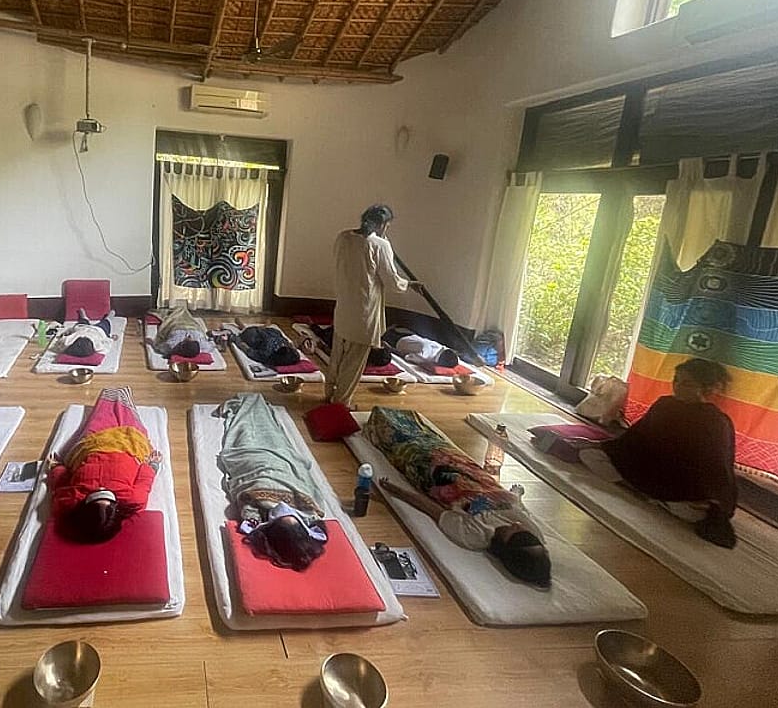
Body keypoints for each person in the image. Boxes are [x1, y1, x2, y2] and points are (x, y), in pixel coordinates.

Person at [365, 407, 551, 587]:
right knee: (439, 444)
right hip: (478, 477)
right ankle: (410, 419)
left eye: (514, 531)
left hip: (443, 478)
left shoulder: (475, 535)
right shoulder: (532, 533)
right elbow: (518, 506)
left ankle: (385, 421)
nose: (517, 524)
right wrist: (516, 492)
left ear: (504, 545)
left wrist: (396, 490)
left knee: (412, 447)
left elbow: (432, 509)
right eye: (522, 529)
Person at [571, 358, 738, 548]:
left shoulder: (716, 422)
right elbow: (635, 438)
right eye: (676, 380)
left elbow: (717, 466)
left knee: (692, 512)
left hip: (681, 484)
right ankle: (643, 492)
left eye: (686, 383)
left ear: (706, 388)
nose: (678, 386)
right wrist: (602, 446)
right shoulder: (665, 405)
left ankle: (653, 496)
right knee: (589, 455)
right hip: (649, 469)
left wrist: (711, 498)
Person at [218, 392, 327, 571]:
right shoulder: (309, 513)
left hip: (255, 463)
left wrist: (252, 518)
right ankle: (258, 408)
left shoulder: (257, 518)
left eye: (281, 517)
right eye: (292, 517)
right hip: (285, 465)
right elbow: (308, 486)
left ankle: (249, 409)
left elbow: (245, 498)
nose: (285, 510)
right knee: (276, 437)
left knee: (247, 433)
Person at [47, 387, 160, 543]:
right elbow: (145, 480)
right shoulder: (133, 499)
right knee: (124, 410)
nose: (100, 489)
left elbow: (61, 482)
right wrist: (153, 464)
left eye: (95, 495)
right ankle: (121, 395)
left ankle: (111, 395)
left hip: (92, 444)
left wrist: (56, 466)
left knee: (103, 413)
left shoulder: (68, 500)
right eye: (106, 494)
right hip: (129, 445)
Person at [328, 204, 415, 406]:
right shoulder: (380, 245)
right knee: (353, 362)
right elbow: (391, 281)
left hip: (343, 306)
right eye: (387, 226)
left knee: (337, 356)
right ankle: (340, 404)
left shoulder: (343, 237)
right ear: (383, 224)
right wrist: (409, 284)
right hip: (364, 312)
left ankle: (328, 392)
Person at [52, 309, 118, 359]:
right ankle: (110, 315)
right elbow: (106, 343)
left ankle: (84, 316)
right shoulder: (97, 345)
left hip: (83, 328)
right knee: (105, 322)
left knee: (83, 321)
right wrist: (111, 338)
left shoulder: (69, 341)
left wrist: (64, 334)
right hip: (97, 330)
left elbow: (61, 340)